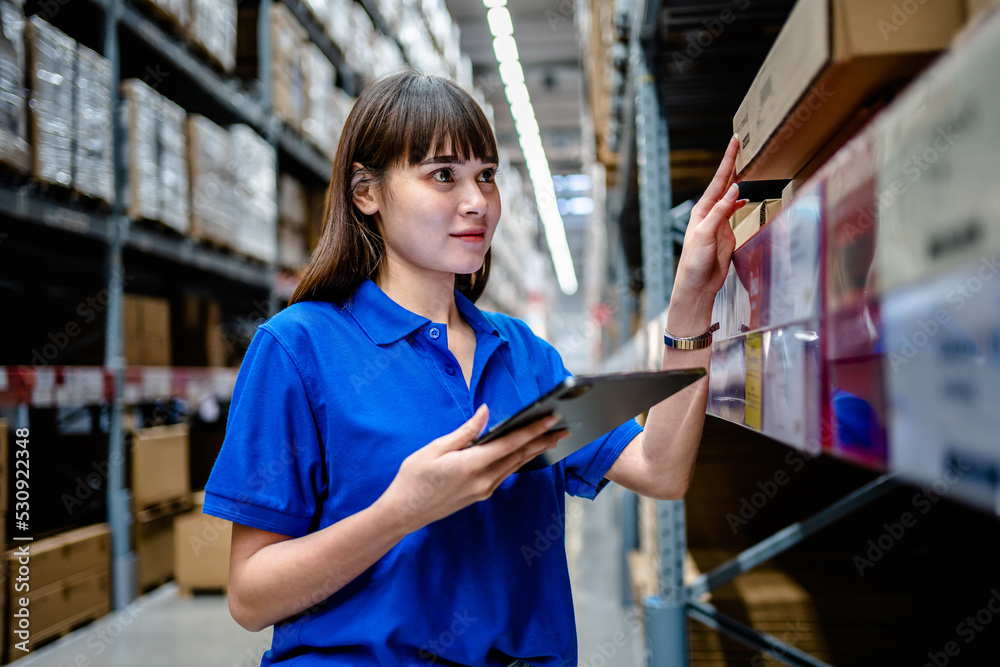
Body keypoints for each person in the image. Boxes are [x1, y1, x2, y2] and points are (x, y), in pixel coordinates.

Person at [203, 69, 747, 667]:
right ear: (366, 193)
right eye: (443, 176)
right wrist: (401, 511)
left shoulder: (521, 353)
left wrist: (691, 302)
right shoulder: (298, 348)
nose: (477, 203)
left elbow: (661, 469)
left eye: (485, 176)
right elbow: (251, 596)